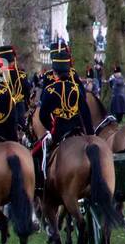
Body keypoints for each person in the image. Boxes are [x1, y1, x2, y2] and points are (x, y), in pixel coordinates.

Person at [37, 44, 95, 182]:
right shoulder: (76, 88)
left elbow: (43, 115)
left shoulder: (50, 89)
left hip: (58, 131)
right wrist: (90, 132)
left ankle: (41, 182)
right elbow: (85, 111)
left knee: (40, 152)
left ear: (55, 72)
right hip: (77, 128)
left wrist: (51, 128)